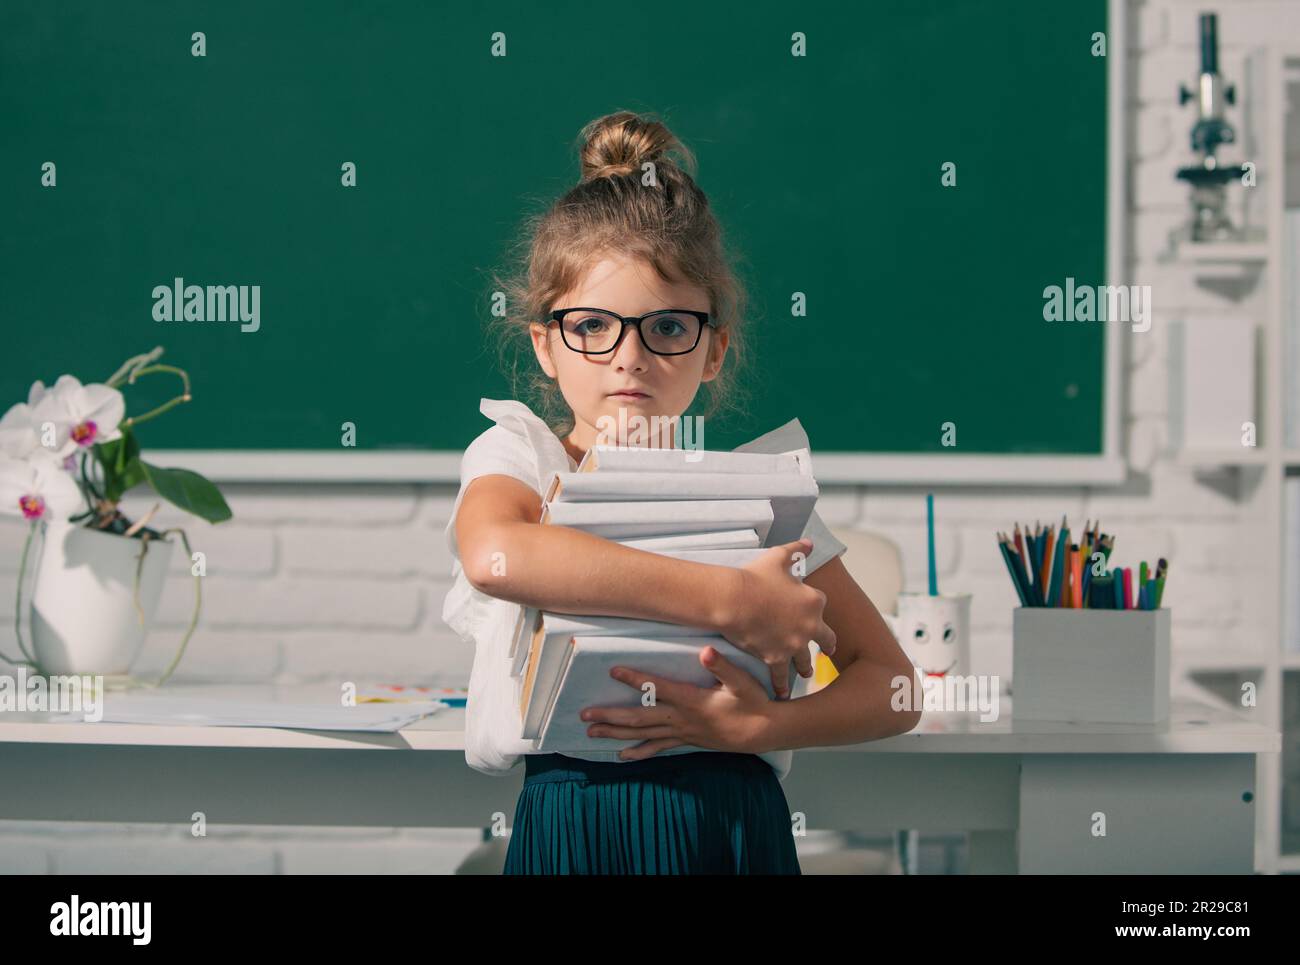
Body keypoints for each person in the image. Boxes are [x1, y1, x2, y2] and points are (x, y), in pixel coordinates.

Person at [443, 110, 920, 874]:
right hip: (575, 823)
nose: (628, 357)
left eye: (667, 327)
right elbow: (497, 555)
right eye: (592, 325)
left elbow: (895, 687)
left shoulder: (761, 500)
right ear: (544, 343)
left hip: (729, 826)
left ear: (713, 349)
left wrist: (762, 726)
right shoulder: (522, 457)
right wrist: (733, 601)